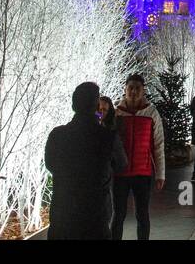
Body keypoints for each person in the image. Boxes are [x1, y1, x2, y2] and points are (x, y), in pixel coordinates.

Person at [44, 82, 128, 239]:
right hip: (96, 213)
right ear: (95, 106)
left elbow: (50, 164)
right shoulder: (107, 137)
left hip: (63, 211)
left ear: (74, 104)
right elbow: (121, 164)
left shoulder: (57, 135)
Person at [113, 74, 166, 240]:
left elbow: (158, 145)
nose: (134, 91)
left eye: (137, 88)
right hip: (119, 173)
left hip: (142, 173)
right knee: (118, 215)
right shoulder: (117, 113)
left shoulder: (151, 113)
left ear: (143, 91)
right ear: (125, 89)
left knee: (142, 215)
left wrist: (160, 174)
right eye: (130, 88)